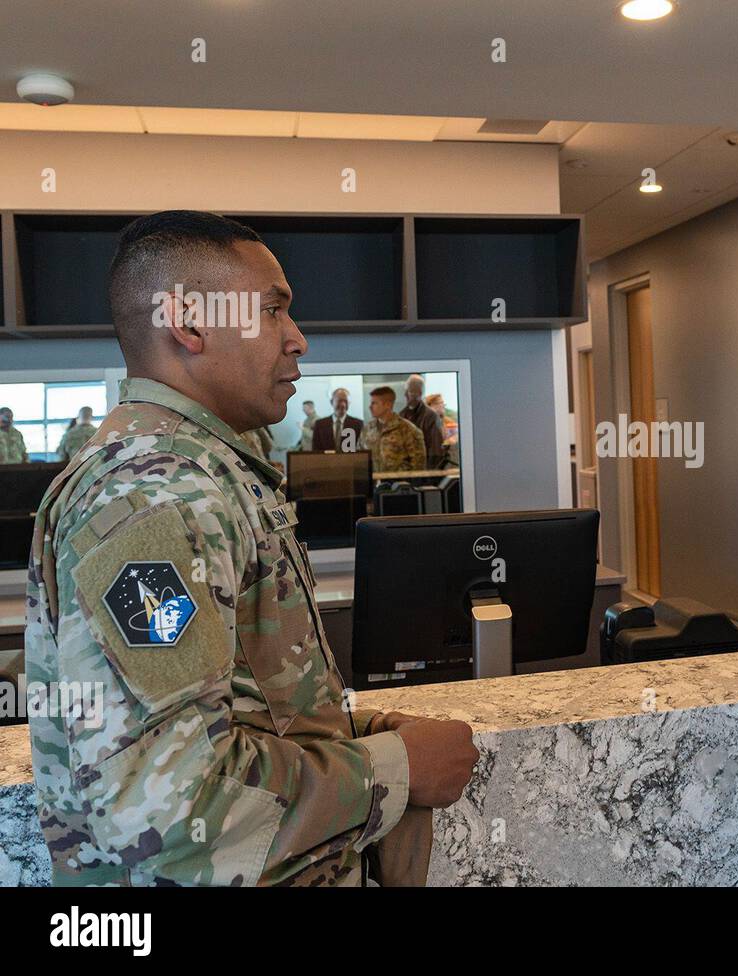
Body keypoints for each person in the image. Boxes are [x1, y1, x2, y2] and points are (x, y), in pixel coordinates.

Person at [25, 210, 478, 886]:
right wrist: (398, 768)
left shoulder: (200, 474)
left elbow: (242, 708)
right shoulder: (158, 498)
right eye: (272, 312)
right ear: (189, 324)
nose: (298, 340)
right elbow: (171, 812)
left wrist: (361, 732)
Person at [362, 386, 425, 473]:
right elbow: (361, 459)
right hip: (372, 484)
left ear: (388, 405)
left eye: (374, 403)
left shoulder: (408, 430)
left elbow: (418, 465)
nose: (370, 407)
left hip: (398, 484)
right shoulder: (367, 429)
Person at [399, 374, 443, 468]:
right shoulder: (401, 416)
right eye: (405, 391)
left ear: (419, 393)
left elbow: (435, 452)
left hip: (423, 475)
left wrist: (427, 478)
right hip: (404, 474)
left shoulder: (431, 417)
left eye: (409, 392)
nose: (405, 395)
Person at [311, 387, 363, 452]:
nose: (343, 404)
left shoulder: (358, 424)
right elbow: (315, 451)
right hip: (326, 461)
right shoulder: (320, 425)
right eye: (340, 401)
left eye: (346, 401)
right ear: (331, 402)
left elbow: (361, 450)